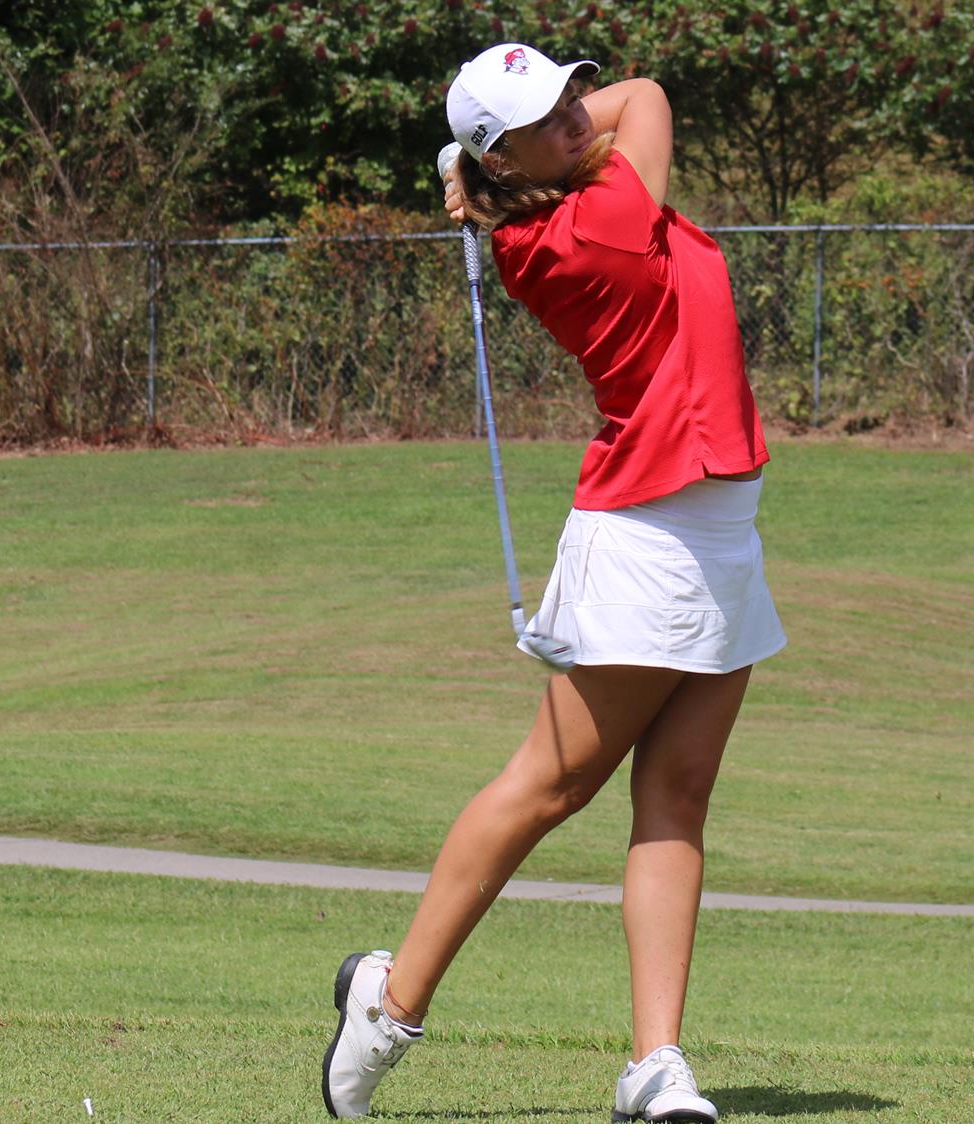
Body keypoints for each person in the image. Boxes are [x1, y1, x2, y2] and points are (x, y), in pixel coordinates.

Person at [322, 41, 785, 1123]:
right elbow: (652, 97)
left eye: (571, 91)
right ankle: (387, 1005)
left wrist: (479, 175)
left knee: (675, 799)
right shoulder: (581, 231)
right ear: (503, 152)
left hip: (721, 530)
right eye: (545, 112)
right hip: (646, 537)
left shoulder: (554, 201)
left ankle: (655, 1065)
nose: (580, 113)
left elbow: (627, 99)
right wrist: (481, 184)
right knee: (549, 786)